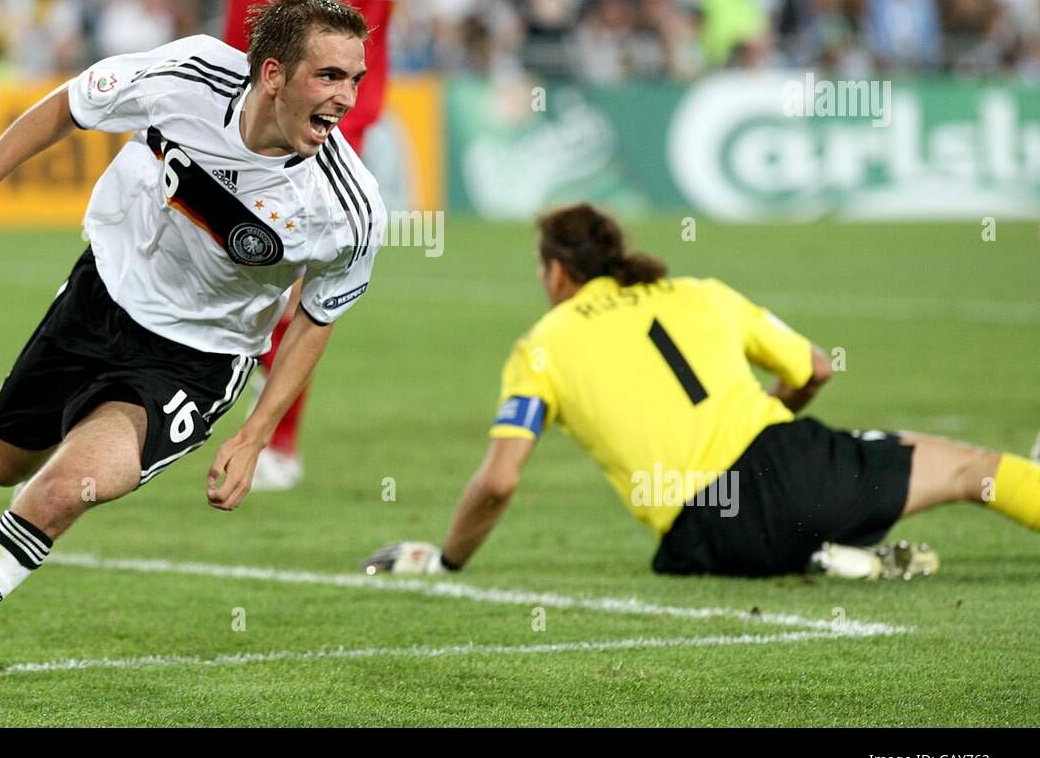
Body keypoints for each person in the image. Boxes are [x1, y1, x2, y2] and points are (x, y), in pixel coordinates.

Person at [0, 0, 387, 701]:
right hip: (100, 295)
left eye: (355, 79)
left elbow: (319, 313)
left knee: (60, 491)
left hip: (195, 360)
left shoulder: (348, 202)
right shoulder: (188, 75)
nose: (345, 99)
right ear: (272, 74)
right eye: (329, 76)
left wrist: (258, 432)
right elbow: (72, 103)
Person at [143, 0, 501, 489]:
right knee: (185, 261)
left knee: (298, 283)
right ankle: (166, 410)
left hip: (335, 131)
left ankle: (275, 443)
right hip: (235, 121)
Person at [364, 203, 1040, 580]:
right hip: (791, 469)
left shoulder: (540, 344)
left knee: (779, 528)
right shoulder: (700, 293)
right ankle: (822, 541)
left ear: (558, 271)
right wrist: (777, 422)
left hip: (702, 537)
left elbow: (502, 478)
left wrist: (447, 558)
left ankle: (821, 553)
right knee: (973, 472)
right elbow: (815, 367)